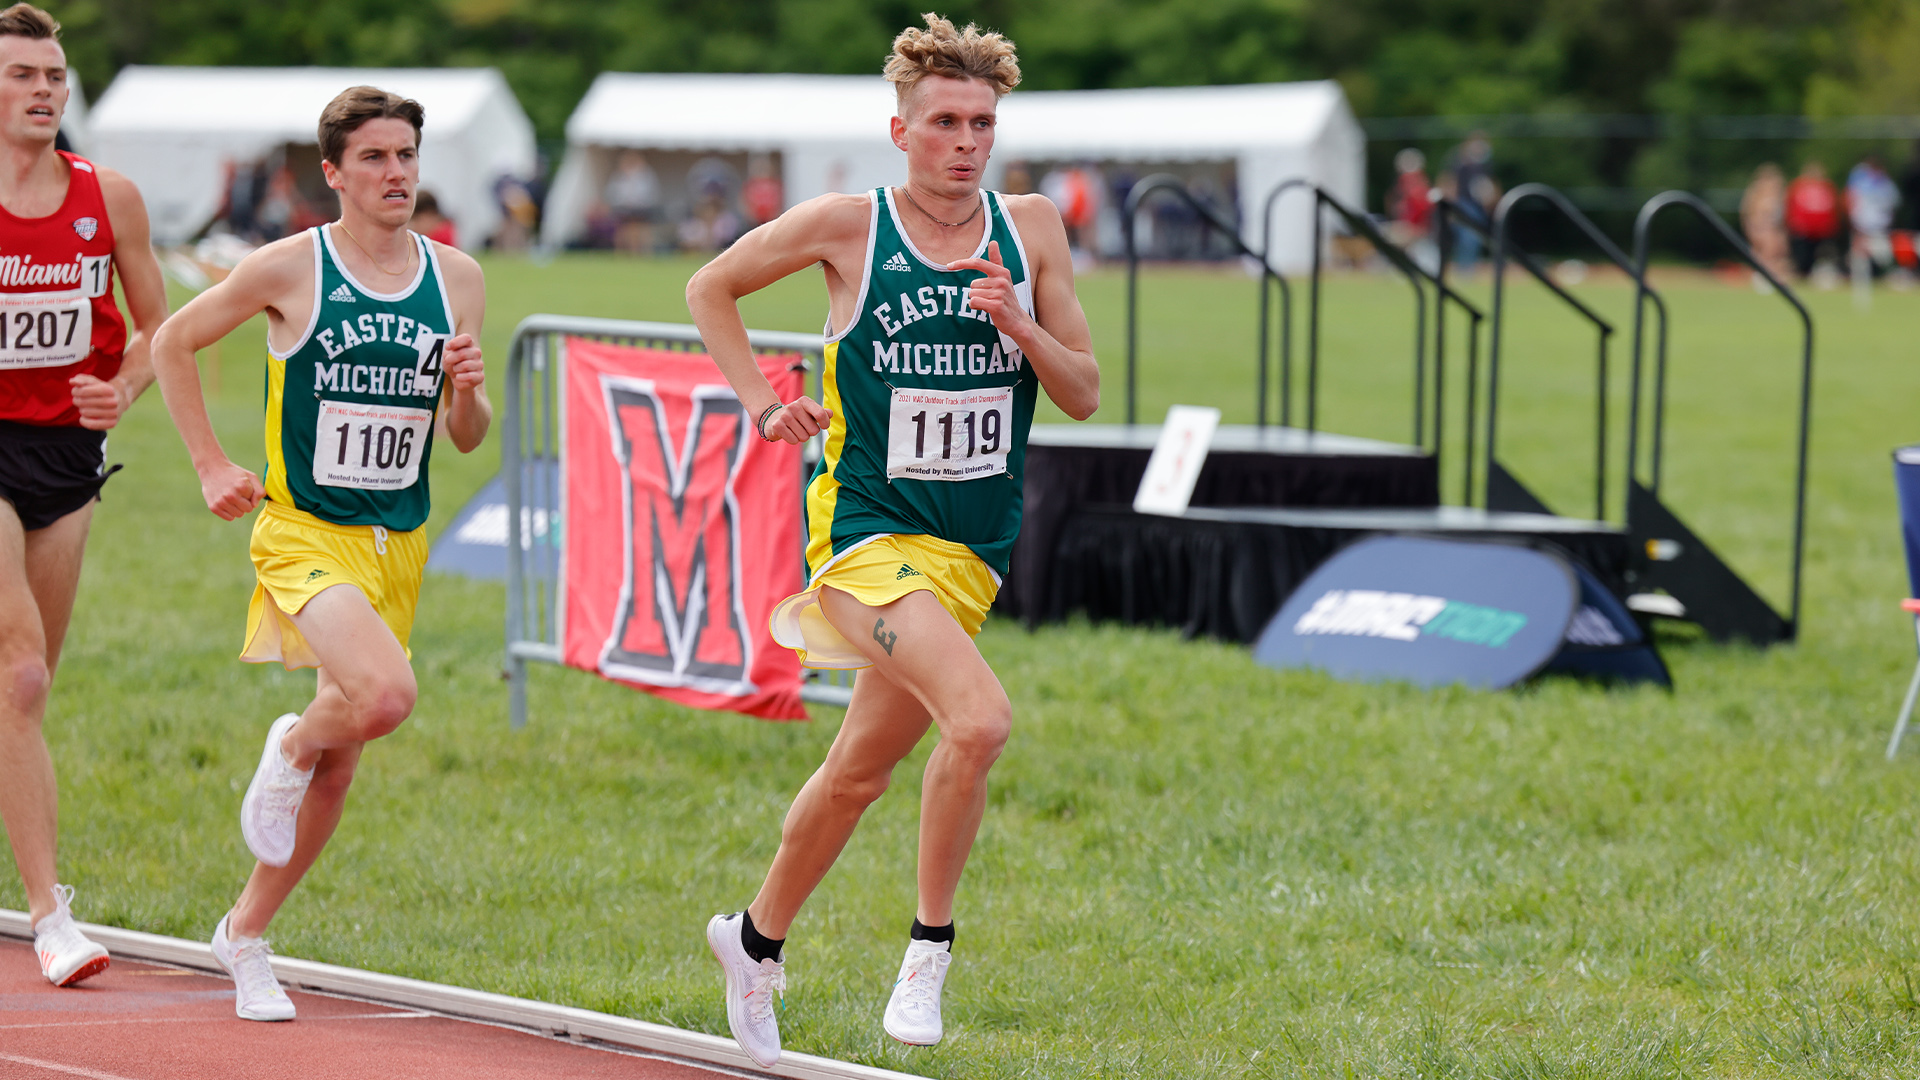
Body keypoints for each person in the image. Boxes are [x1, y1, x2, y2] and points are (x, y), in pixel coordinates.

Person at [685, 13, 1099, 1066]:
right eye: (946, 121)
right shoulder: (847, 227)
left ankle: (753, 938)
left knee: (859, 773)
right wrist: (758, 402)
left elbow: (1085, 393)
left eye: (983, 122)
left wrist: (1024, 328)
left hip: (969, 559)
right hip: (865, 543)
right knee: (980, 720)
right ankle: (929, 951)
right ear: (901, 130)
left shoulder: (1033, 228)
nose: (967, 141)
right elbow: (710, 286)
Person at [149, 86, 490, 1022]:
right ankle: (289, 742)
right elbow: (174, 340)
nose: (396, 174)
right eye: (375, 158)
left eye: (407, 156)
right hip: (303, 533)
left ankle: (246, 934)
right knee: (383, 698)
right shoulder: (289, 267)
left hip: (397, 541)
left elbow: (465, 434)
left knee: (349, 756)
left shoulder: (456, 277)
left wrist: (468, 392)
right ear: (332, 173)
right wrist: (212, 462)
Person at [0, 1, 167, 989]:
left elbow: (160, 326)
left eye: (54, 76)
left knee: (26, 688)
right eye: (23, 75)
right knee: (18, 672)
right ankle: (52, 913)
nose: (44, 91)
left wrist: (126, 386)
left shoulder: (111, 198)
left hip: (66, 456)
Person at [1785, 160, 1841, 279]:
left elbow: (1833, 208)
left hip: (1822, 232)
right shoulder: (1798, 186)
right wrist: (1795, 223)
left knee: (1824, 257)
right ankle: (1801, 276)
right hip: (1803, 231)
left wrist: (1830, 225)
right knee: (1802, 258)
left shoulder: (1827, 187)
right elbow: (1792, 206)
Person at [1846, 155, 1899, 280]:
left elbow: (1892, 203)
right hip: (1863, 225)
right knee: (1861, 256)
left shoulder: (1885, 183)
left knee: (1881, 255)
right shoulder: (1860, 181)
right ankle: (1860, 278)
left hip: (1879, 225)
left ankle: (1883, 276)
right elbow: (1853, 202)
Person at [603, 149, 660, 254]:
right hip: (623, 209)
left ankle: (641, 251)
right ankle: (622, 252)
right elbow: (613, 194)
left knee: (638, 229)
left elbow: (649, 194)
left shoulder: (645, 176)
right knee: (623, 230)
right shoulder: (618, 177)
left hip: (641, 209)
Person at [1740, 163, 1789, 282]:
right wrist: (1752, 229)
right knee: (1764, 252)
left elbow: (1780, 217)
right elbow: (1747, 213)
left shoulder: (1779, 195)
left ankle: (1772, 275)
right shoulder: (1756, 194)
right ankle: (1760, 275)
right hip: (1760, 228)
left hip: (1773, 229)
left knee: (1777, 252)